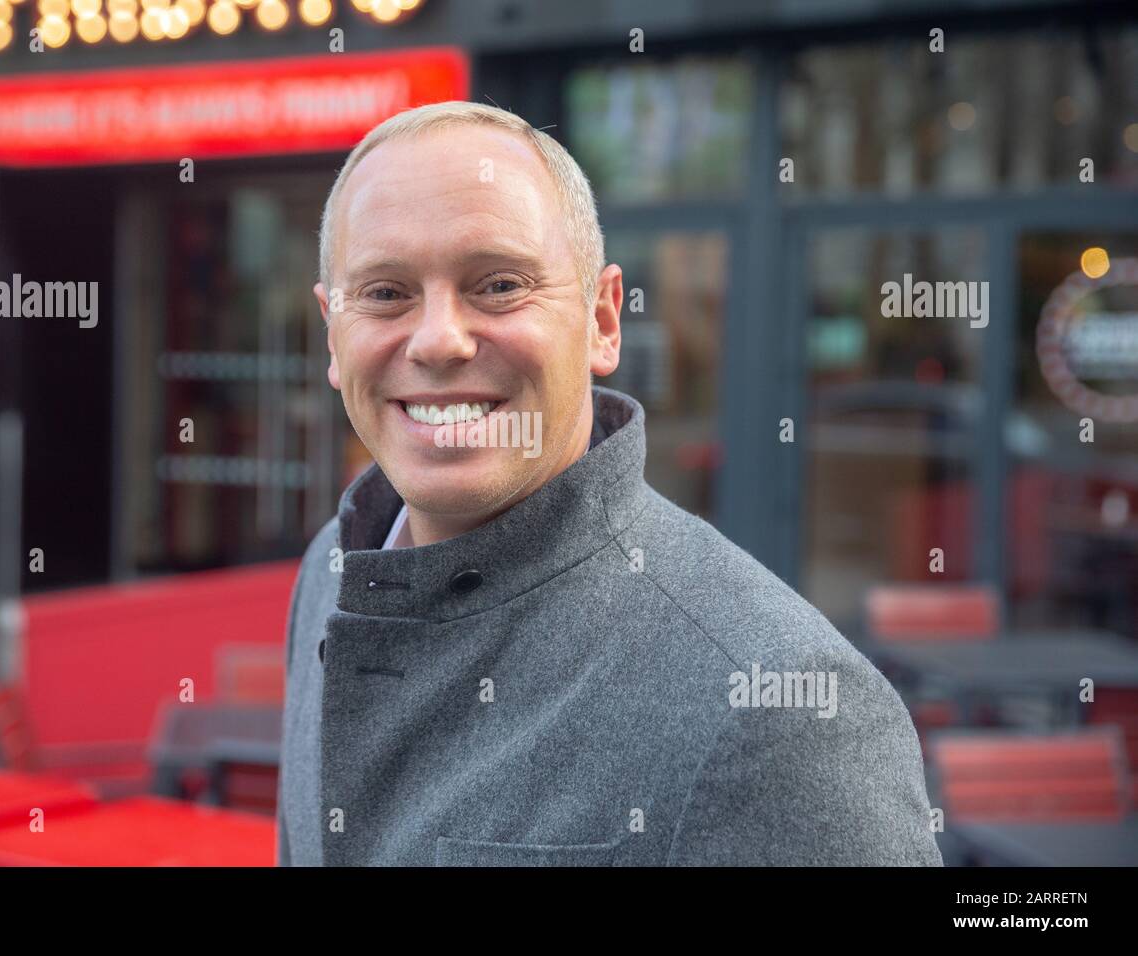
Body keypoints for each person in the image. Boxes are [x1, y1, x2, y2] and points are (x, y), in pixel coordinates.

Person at [276, 101, 942, 866]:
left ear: (602, 321)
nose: (438, 340)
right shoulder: (330, 571)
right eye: (386, 293)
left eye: (497, 284)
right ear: (333, 333)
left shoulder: (778, 706)